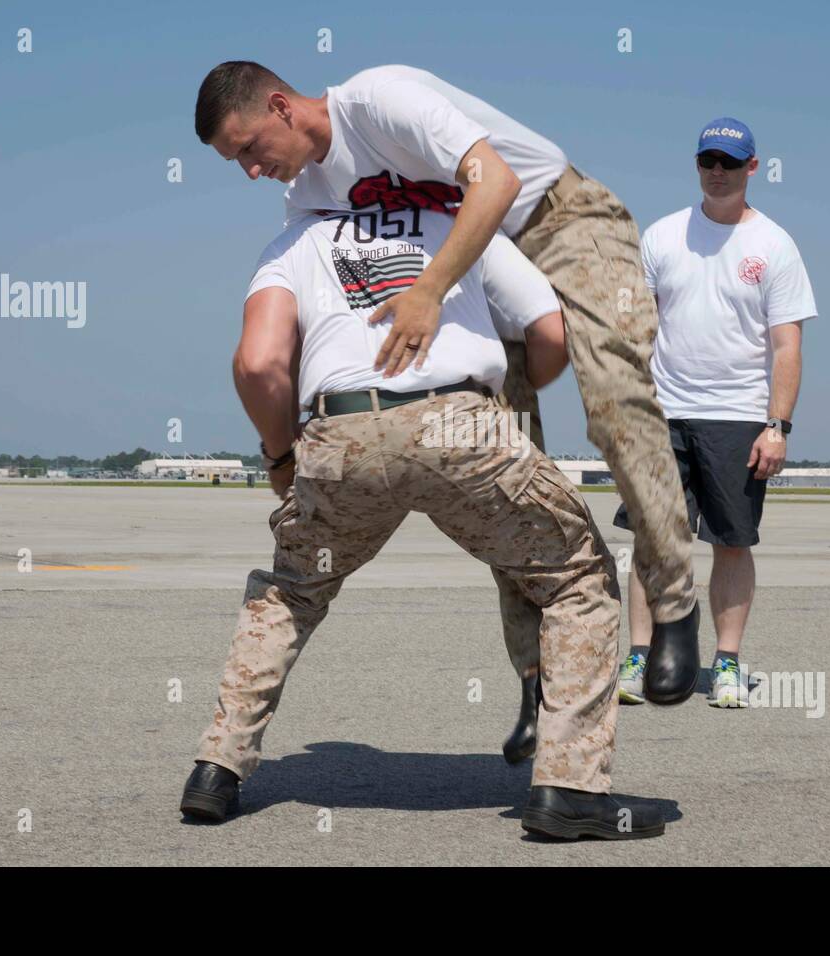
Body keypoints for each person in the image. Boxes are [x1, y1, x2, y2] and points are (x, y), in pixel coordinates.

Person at [193, 61, 704, 727]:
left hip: (556, 222)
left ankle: (672, 602)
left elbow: (496, 180)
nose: (251, 172)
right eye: (236, 164)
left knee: (613, 400)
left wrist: (430, 292)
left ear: (283, 108)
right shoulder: (308, 195)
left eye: (248, 149)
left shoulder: (378, 100)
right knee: (512, 478)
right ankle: (538, 677)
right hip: (476, 267)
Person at [179, 203, 666, 840]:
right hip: (457, 425)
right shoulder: (461, 225)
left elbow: (257, 364)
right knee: (576, 578)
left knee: (293, 592)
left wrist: (280, 455)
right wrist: (511, 405)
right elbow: (549, 330)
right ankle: (570, 788)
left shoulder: (296, 241)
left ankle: (217, 769)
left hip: (342, 429)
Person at [615, 118, 816, 708]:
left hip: (738, 418)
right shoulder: (662, 236)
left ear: (753, 167)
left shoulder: (775, 245)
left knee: (731, 542)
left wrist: (776, 426)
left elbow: (787, 346)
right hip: (663, 413)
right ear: (697, 164)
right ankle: (639, 657)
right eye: (708, 160)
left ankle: (726, 664)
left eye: (729, 161)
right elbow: (634, 329)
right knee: (654, 540)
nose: (717, 171)